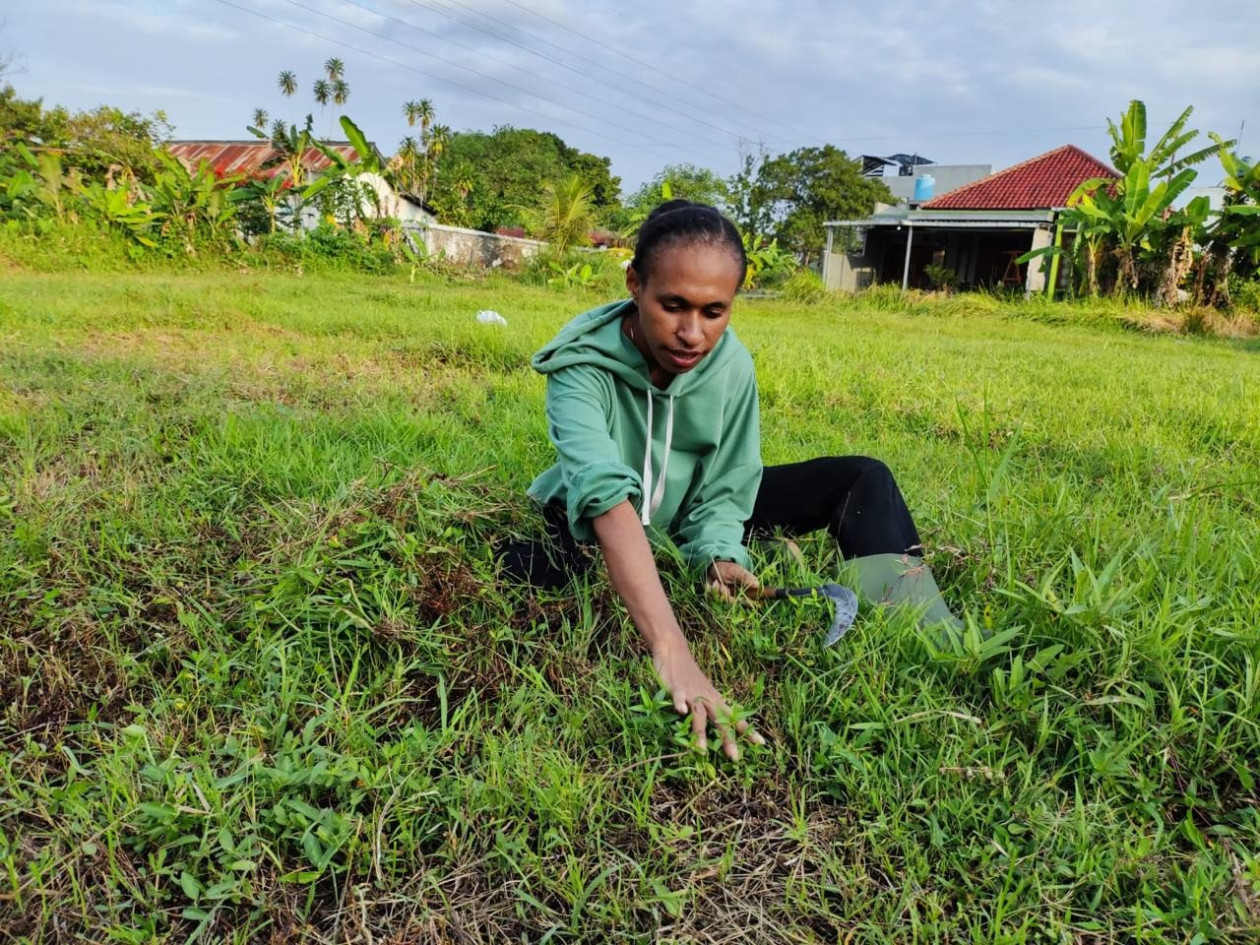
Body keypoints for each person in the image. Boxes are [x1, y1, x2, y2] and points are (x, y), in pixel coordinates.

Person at [501, 200, 960, 761]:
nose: (693, 333)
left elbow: (728, 480)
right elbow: (603, 494)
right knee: (539, 569)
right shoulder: (579, 366)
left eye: (714, 311)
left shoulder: (731, 365)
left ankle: (936, 642)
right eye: (673, 306)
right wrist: (672, 649)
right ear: (635, 285)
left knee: (862, 477)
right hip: (598, 519)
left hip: (689, 501)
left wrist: (717, 554)